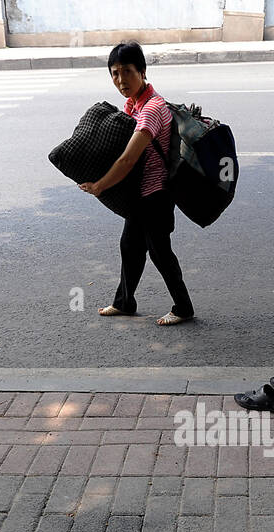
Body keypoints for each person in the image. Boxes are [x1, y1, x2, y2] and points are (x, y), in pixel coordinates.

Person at [79, 41, 195, 327]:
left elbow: (128, 159)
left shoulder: (151, 109)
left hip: (156, 195)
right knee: (130, 247)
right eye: (114, 74)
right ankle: (124, 302)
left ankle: (183, 307)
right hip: (140, 196)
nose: (120, 80)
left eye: (127, 72)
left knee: (159, 252)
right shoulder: (134, 105)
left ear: (142, 71)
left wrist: (100, 185)